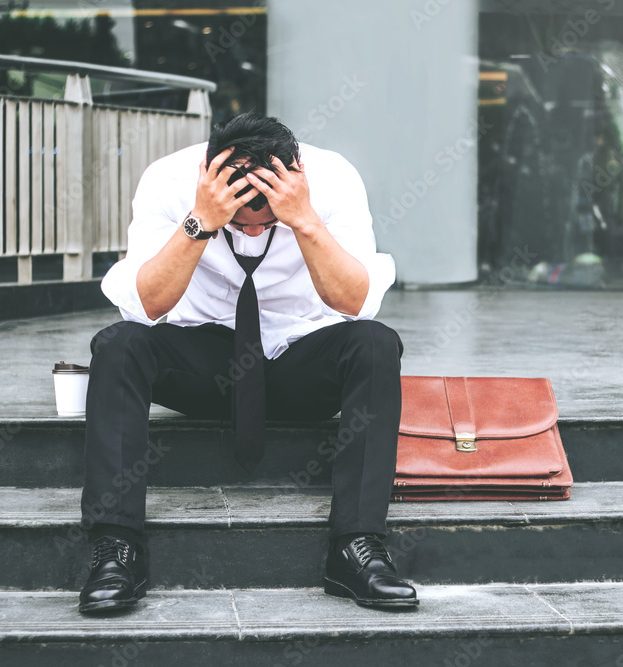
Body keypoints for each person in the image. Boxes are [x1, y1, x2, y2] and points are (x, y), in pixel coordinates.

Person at [78, 112, 417, 614]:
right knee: (118, 344)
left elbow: (355, 301)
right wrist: (200, 223)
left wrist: (303, 219)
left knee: (374, 343)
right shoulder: (169, 181)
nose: (254, 231)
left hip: (300, 359)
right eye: (241, 222)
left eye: (267, 222)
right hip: (204, 363)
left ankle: (356, 547)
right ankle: (117, 548)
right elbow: (146, 304)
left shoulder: (333, 180)